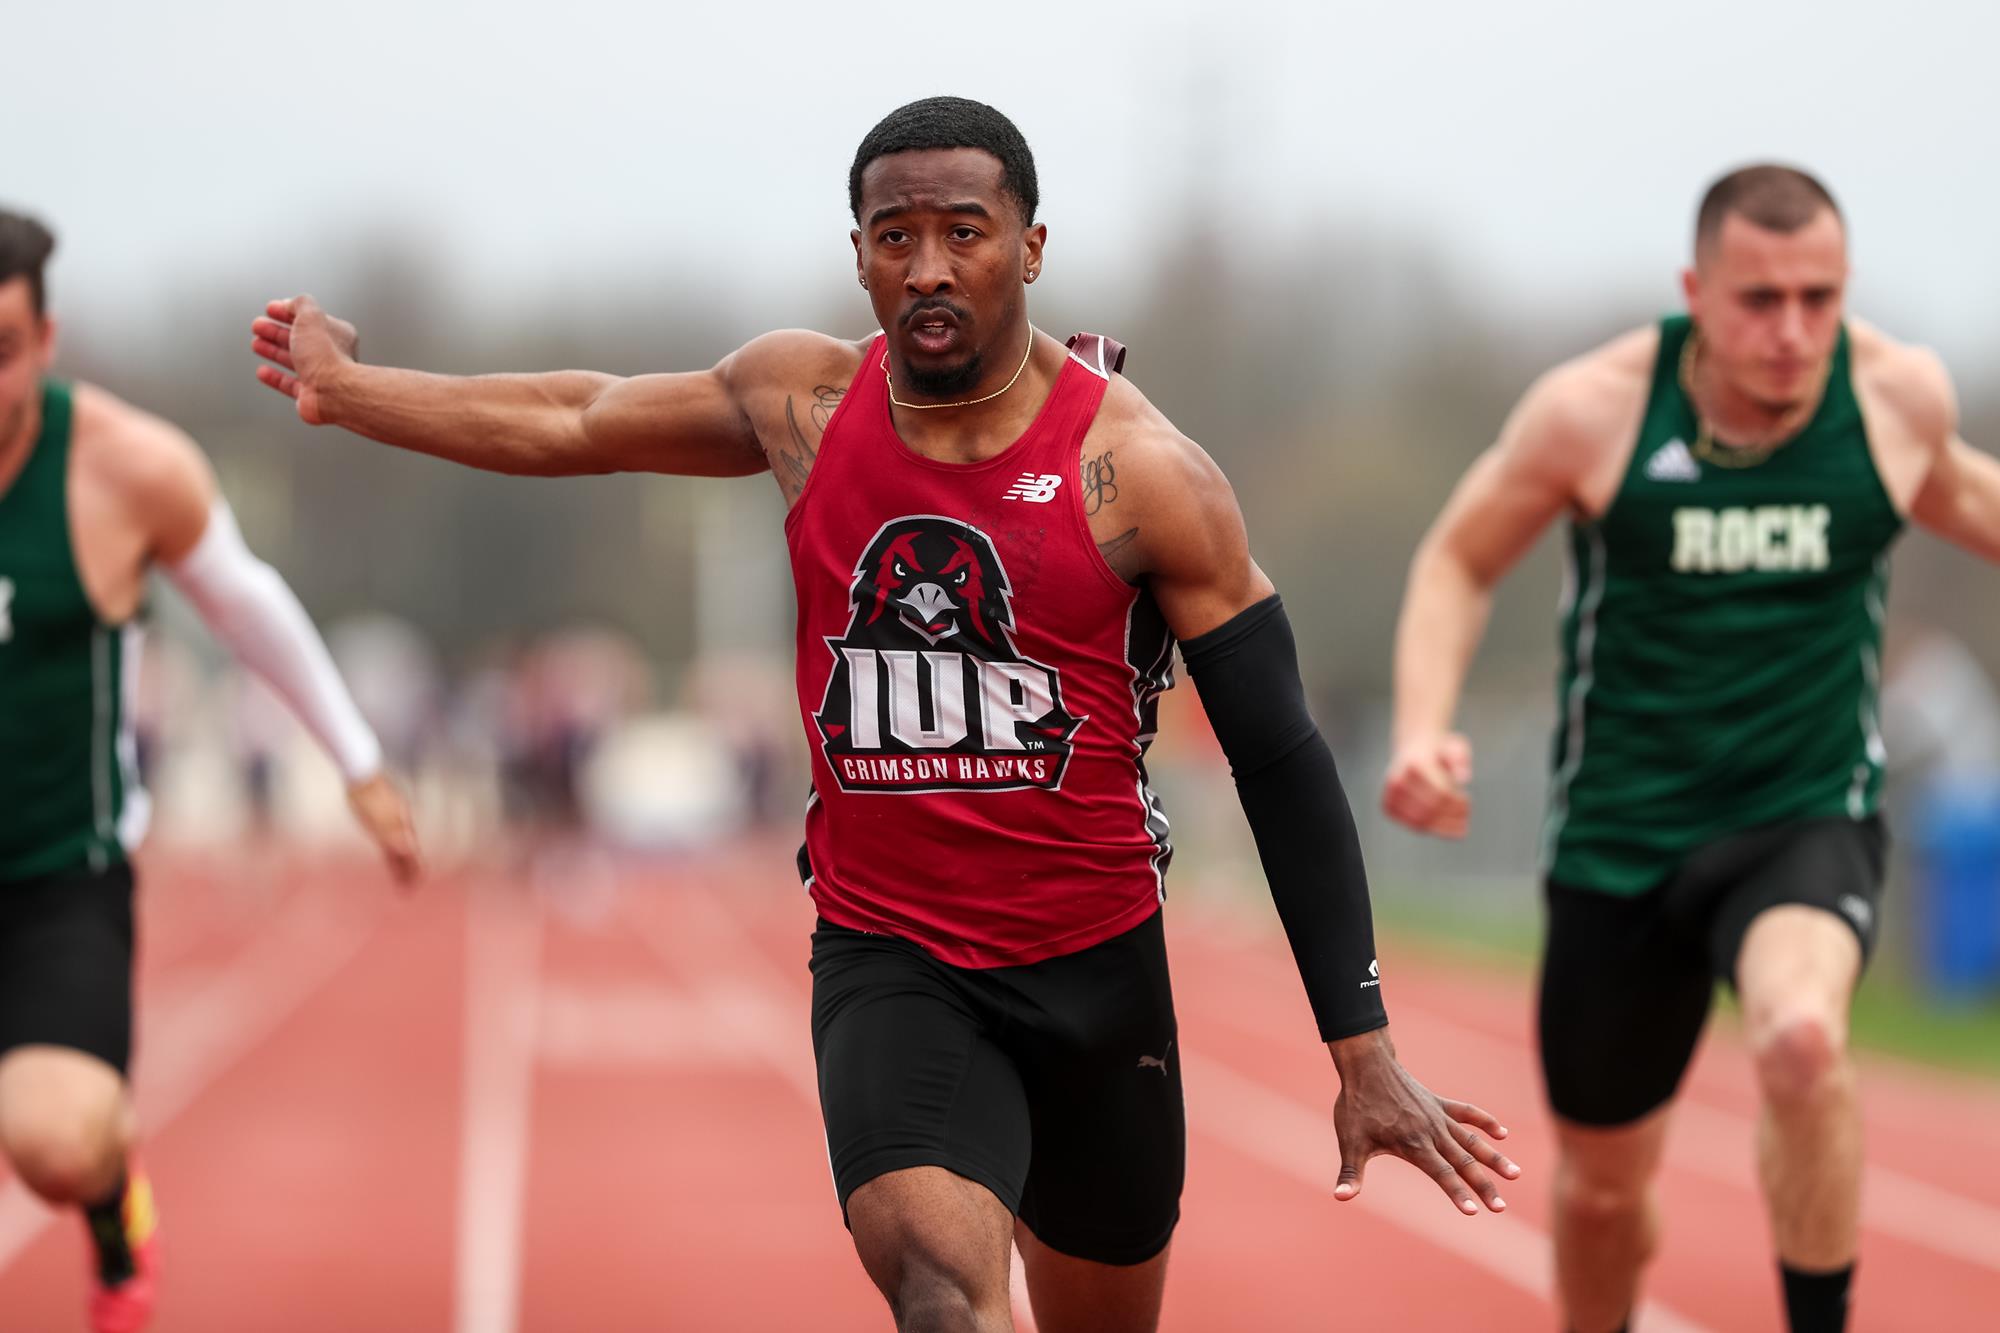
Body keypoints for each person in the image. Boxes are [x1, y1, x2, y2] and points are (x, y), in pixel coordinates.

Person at [252, 96, 1518, 1333]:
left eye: (962, 233)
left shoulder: (1138, 474)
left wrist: (1361, 1051)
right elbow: (577, 416)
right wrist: (348, 391)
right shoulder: (804, 406)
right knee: (938, 1292)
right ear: (854, 250)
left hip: (1095, 967)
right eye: (892, 237)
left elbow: (1282, 757)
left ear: (1029, 246)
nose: (926, 269)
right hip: (892, 954)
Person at [1382, 164, 2000, 1333]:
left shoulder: (1889, 399)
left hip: (1804, 811)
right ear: (1693, 292)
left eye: (1817, 298)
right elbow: (1458, 557)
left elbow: (1974, 496)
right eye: (1757, 300)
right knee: (1605, 1197)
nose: (1790, 331)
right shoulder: (1596, 411)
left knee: (1804, 1041)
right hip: (1622, 838)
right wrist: (1421, 727)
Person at [0, 208, 421, 1333]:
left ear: (44, 342)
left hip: (54, 871)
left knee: (53, 1139)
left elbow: (248, 607)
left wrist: (358, 761)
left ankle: (108, 1203)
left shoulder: (124, 467)